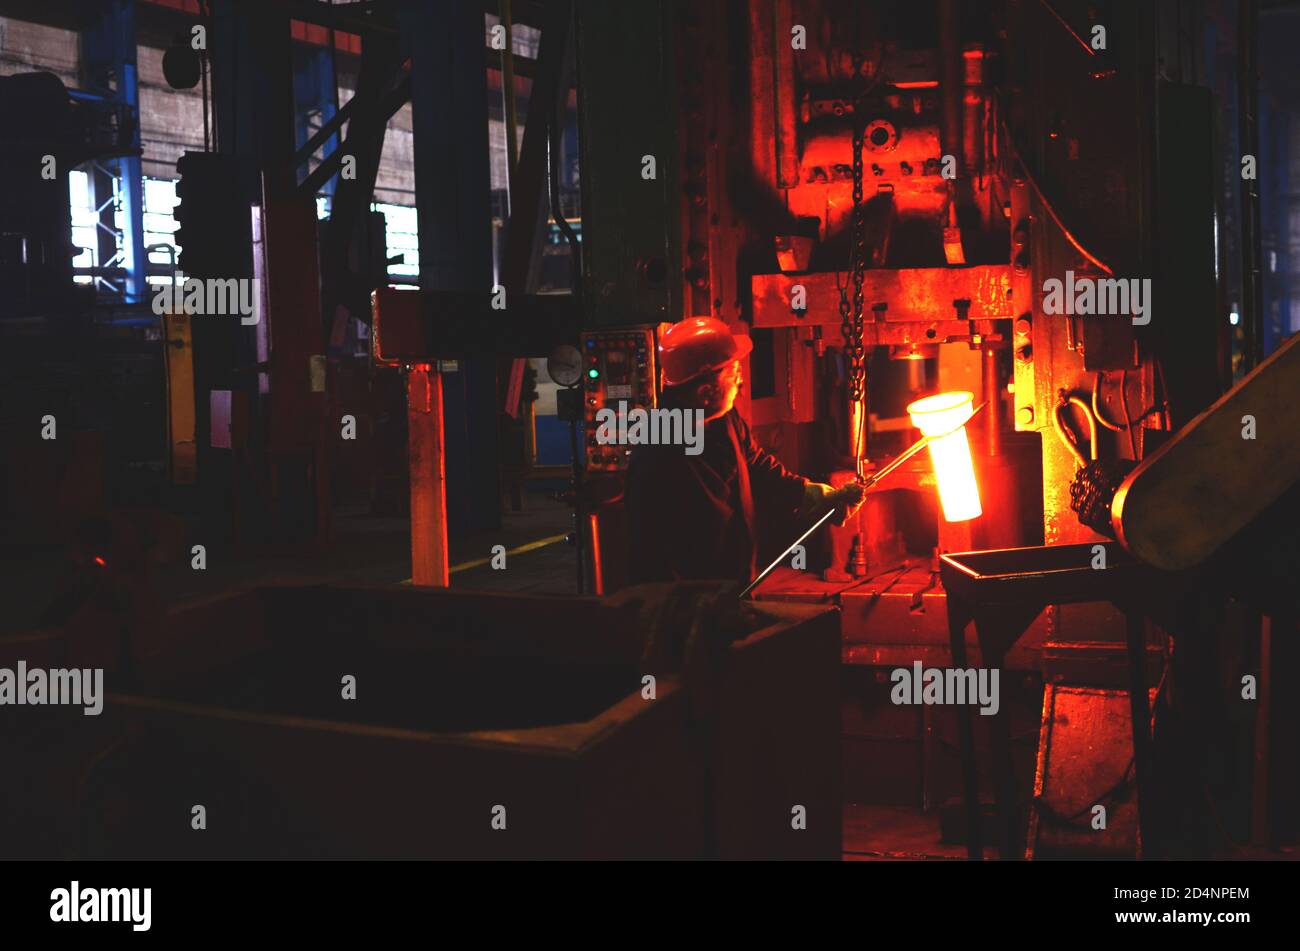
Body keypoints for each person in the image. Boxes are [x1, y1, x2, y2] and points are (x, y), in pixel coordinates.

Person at [625, 317, 865, 585]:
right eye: (734, 374)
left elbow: (753, 463)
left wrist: (808, 494)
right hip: (690, 606)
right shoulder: (659, 455)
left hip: (732, 589)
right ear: (706, 392)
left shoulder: (721, 417)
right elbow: (658, 558)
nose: (740, 384)